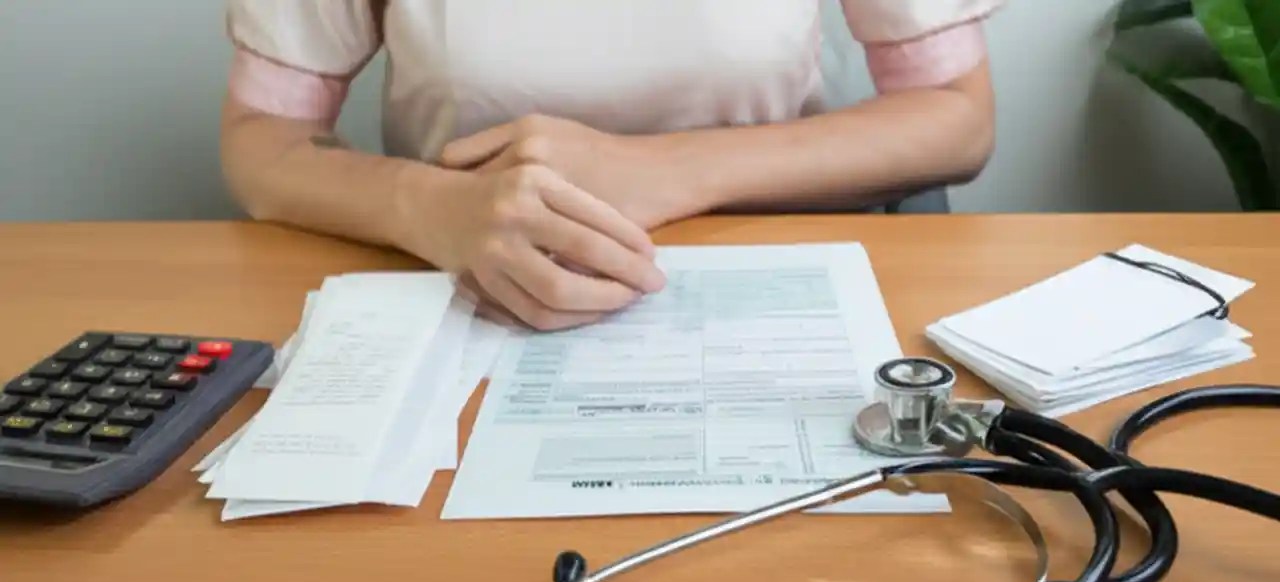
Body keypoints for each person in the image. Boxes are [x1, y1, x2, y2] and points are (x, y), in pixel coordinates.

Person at [220, 1, 1003, 330]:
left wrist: (670, 170)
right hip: (463, 293)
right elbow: (263, 137)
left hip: (763, 294)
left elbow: (957, 114)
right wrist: (423, 207)